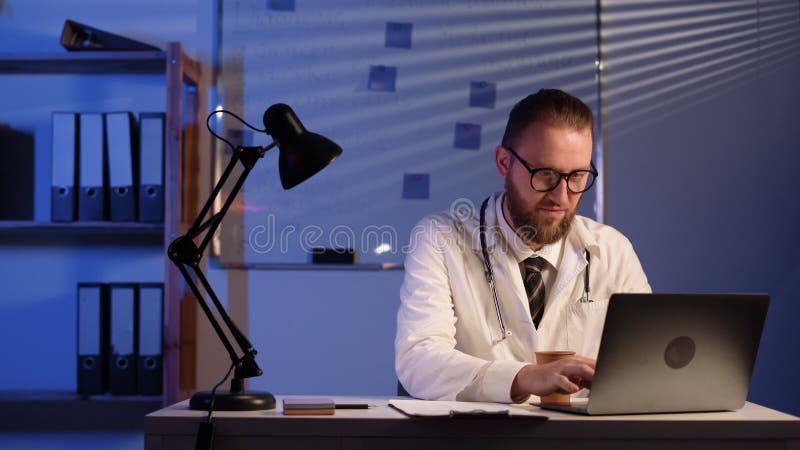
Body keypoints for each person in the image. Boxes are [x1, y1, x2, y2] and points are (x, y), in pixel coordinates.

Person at [395, 89, 651, 403]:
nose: (562, 195)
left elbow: (645, 363)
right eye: (545, 175)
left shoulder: (612, 249)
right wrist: (525, 377)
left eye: (578, 176)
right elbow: (419, 361)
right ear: (504, 163)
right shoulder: (439, 239)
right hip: (479, 440)